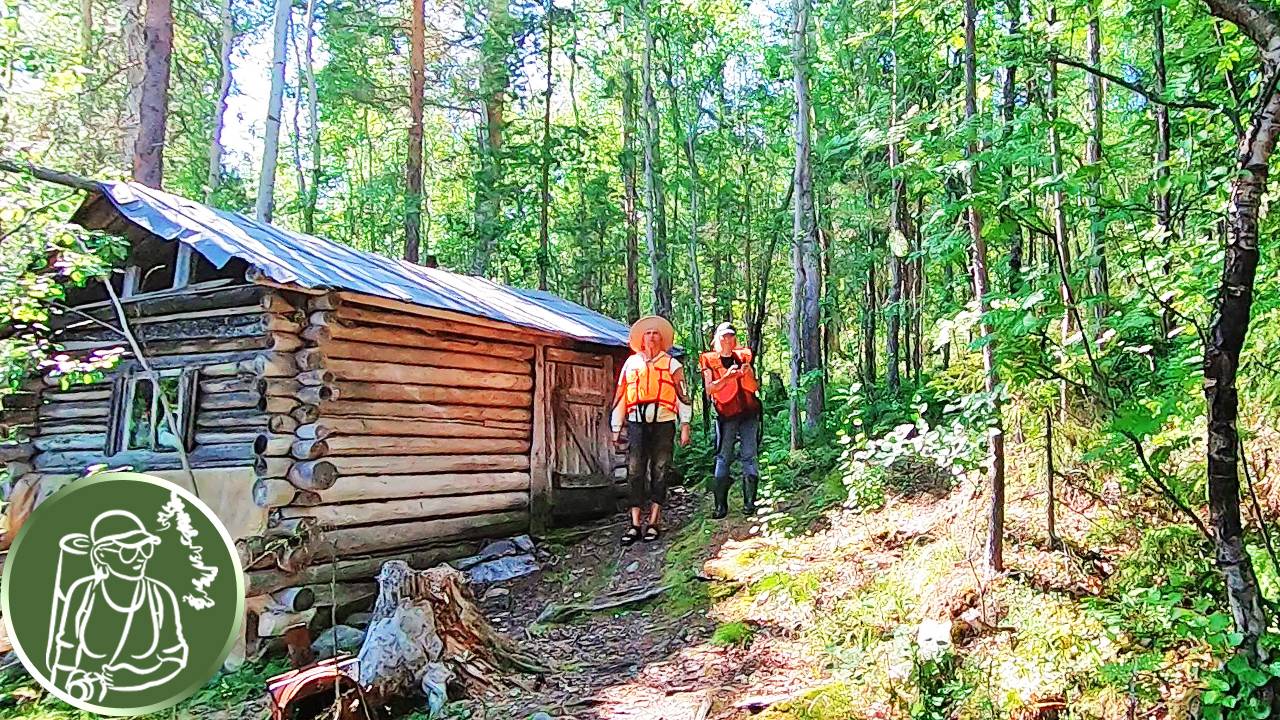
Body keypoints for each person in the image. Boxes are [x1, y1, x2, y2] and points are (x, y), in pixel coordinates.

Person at [49, 510, 188, 702]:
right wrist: (61, 694)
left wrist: (141, 678)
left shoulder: (160, 596)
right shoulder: (83, 593)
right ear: (103, 555)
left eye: (145, 548)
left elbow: (175, 658)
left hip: (149, 697)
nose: (141, 557)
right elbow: (66, 648)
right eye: (128, 551)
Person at [610, 315, 692, 544]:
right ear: (641, 339)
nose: (652, 337)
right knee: (635, 470)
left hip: (664, 422)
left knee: (660, 469)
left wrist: (685, 425)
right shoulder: (631, 364)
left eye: (656, 333)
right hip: (637, 422)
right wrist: (616, 427)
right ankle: (635, 524)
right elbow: (621, 398)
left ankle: (654, 521)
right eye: (648, 333)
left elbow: (683, 397)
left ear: (662, 338)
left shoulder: (672, 364)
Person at [699, 322, 761, 518]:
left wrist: (747, 373)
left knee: (749, 455)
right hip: (726, 416)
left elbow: (753, 386)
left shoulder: (744, 358)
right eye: (724, 336)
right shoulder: (709, 361)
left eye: (731, 336)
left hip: (749, 413)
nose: (728, 340)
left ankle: (750, 503)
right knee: (724, 457)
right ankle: (720, 507)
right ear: (717, 338)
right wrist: (727, 377)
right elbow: (710, 389)